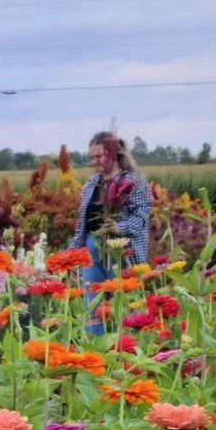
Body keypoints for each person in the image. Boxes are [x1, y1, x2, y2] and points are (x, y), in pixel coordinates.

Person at [69, 131, 153, 335]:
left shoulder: (134, 181)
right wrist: (70, 256)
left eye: (99, 156)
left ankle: (127, 346)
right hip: (92, 252)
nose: (94, 161)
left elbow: (142, 215)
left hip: (122, 251)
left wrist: (119, 227)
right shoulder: (92, 184)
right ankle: (95, 347)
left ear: (113, 153)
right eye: (92, 157)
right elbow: (82, 224)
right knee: (93, 305)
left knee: (125, 304)